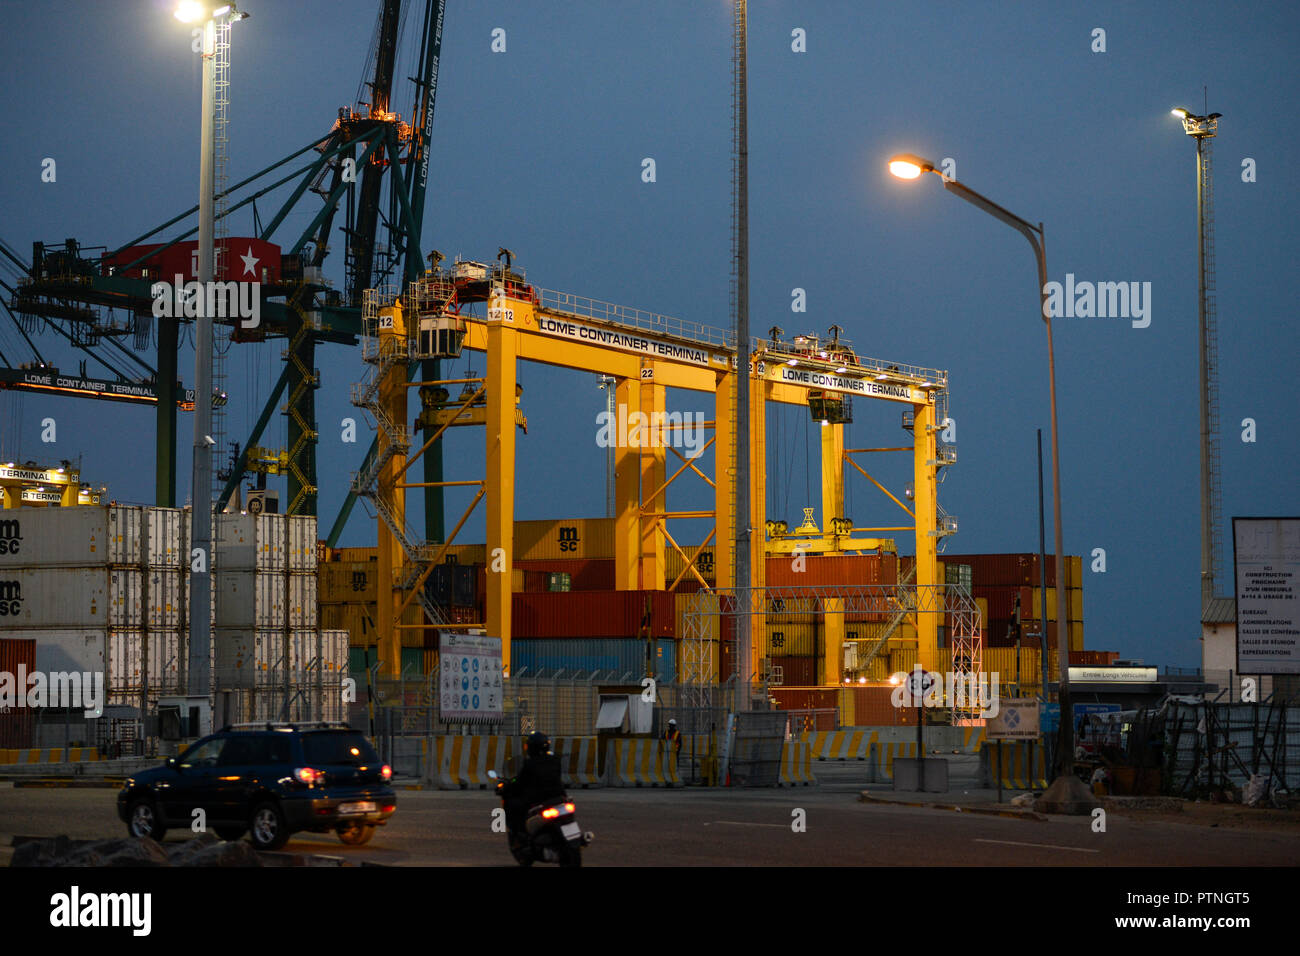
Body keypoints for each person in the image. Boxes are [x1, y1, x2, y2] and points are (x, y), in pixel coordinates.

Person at [501, 732, 567, 843]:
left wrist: (507, 788)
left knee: (514, 805)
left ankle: (521, 833)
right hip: (560, 796)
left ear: (532, 747)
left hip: (540, 799)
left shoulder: (530, 763)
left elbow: (520, 782)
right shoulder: (555, 760)